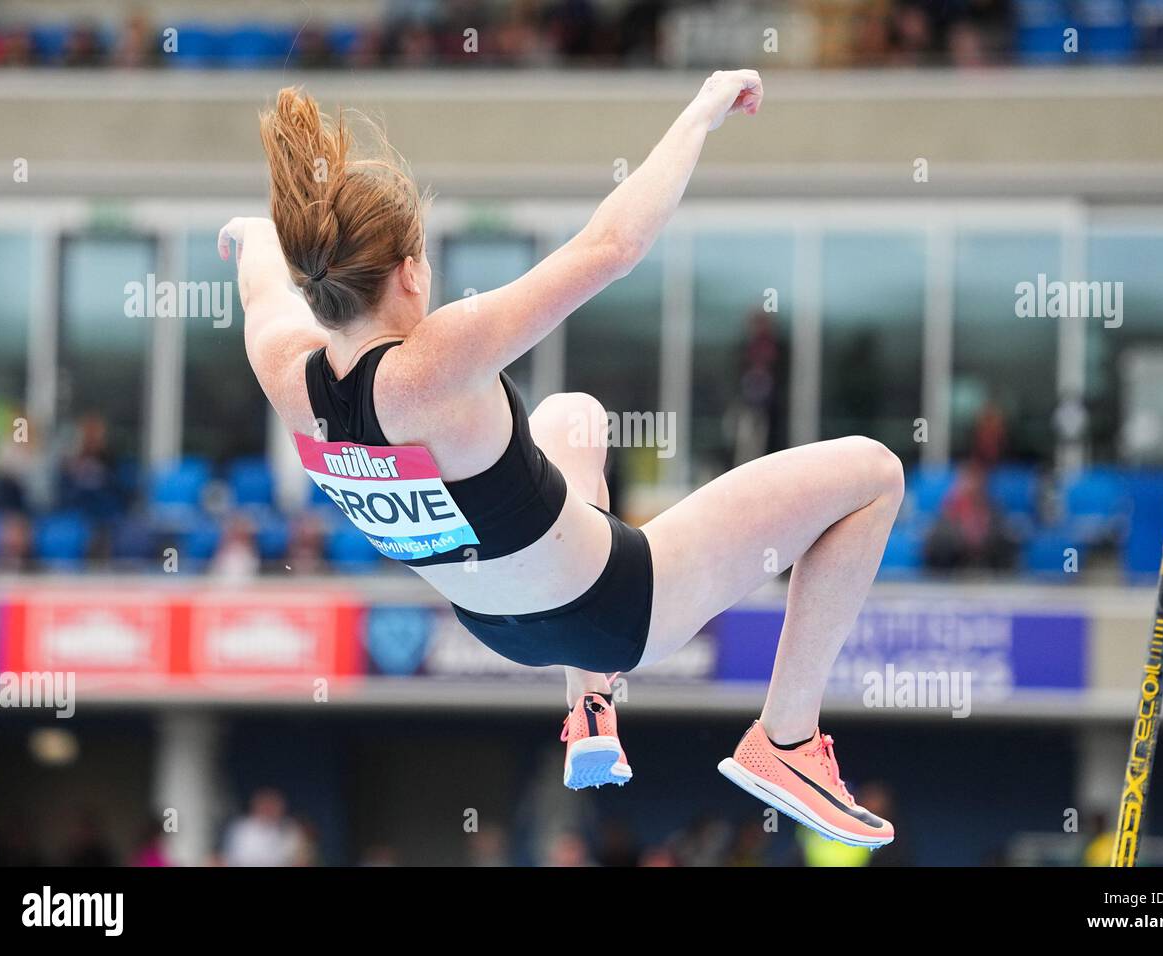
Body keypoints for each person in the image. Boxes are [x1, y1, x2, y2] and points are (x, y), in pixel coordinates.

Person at [221, 71, 902, 848]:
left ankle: (590, 705)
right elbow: (613, 246)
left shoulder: (287, 377)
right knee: (874, 473)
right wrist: (700, 113)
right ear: (410, 272)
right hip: (625, 607)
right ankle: (787, 741)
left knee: (572, 417)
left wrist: (252, 237)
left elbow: (262, 292)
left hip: (500, 626)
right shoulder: (436, 362)